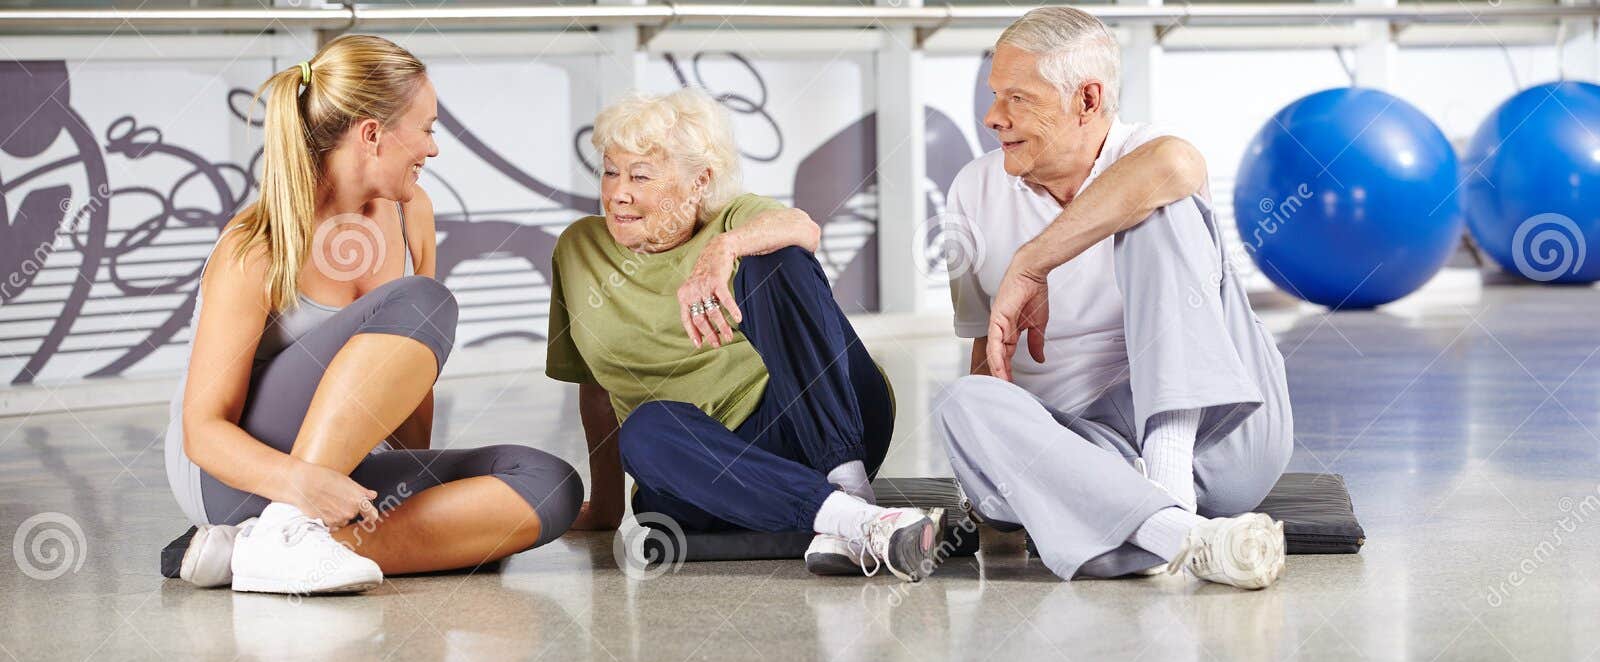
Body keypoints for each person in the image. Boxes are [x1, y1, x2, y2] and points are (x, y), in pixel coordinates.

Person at [163, 35, 582, 596]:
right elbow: (203, 431)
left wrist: (413, 482)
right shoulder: (256, 244)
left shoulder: (414, 213)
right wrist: (302, 486)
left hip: (341, 471)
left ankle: (250, 552)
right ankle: (287, 530)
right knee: (423, 301)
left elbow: (410, 383)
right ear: (372, 134)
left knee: (549, 484)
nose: (432, 150)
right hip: (236, 477)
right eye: (427, 128)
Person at [935, 7, 1294, 589]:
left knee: (1160, 205)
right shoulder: (973, 189)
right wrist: (997, 452)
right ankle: (1176, 535)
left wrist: (1032, 261)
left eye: (1017, 99)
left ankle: (1166, 482)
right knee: (962, 402)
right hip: (1091, 452)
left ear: (1087, 98)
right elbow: (987, 357)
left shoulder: (1148, 151)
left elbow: (1175, 165)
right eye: (995, 95)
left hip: (1221, 434)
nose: (993, 117)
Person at [548, 88, 942, 582]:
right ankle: (854, 522)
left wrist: (724, 250)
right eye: (611, 172)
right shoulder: (577, 250)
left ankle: (848, 483)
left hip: (808, 423)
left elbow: (802, 227)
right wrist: (605, 508)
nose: (618, 193)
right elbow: (596, 389)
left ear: (700, 182)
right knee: (645, 430)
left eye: (641, 176)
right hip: (702, 466)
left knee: (777, 256)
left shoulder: (732, 218)